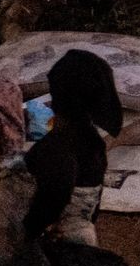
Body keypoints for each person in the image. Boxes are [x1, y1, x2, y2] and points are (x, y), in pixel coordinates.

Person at [23, 49, 122, 246]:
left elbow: (57, 192)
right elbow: (93, 206)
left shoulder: (61, 144)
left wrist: (28, 231)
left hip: (55, 246)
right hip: (82, 242)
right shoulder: (92, 140)